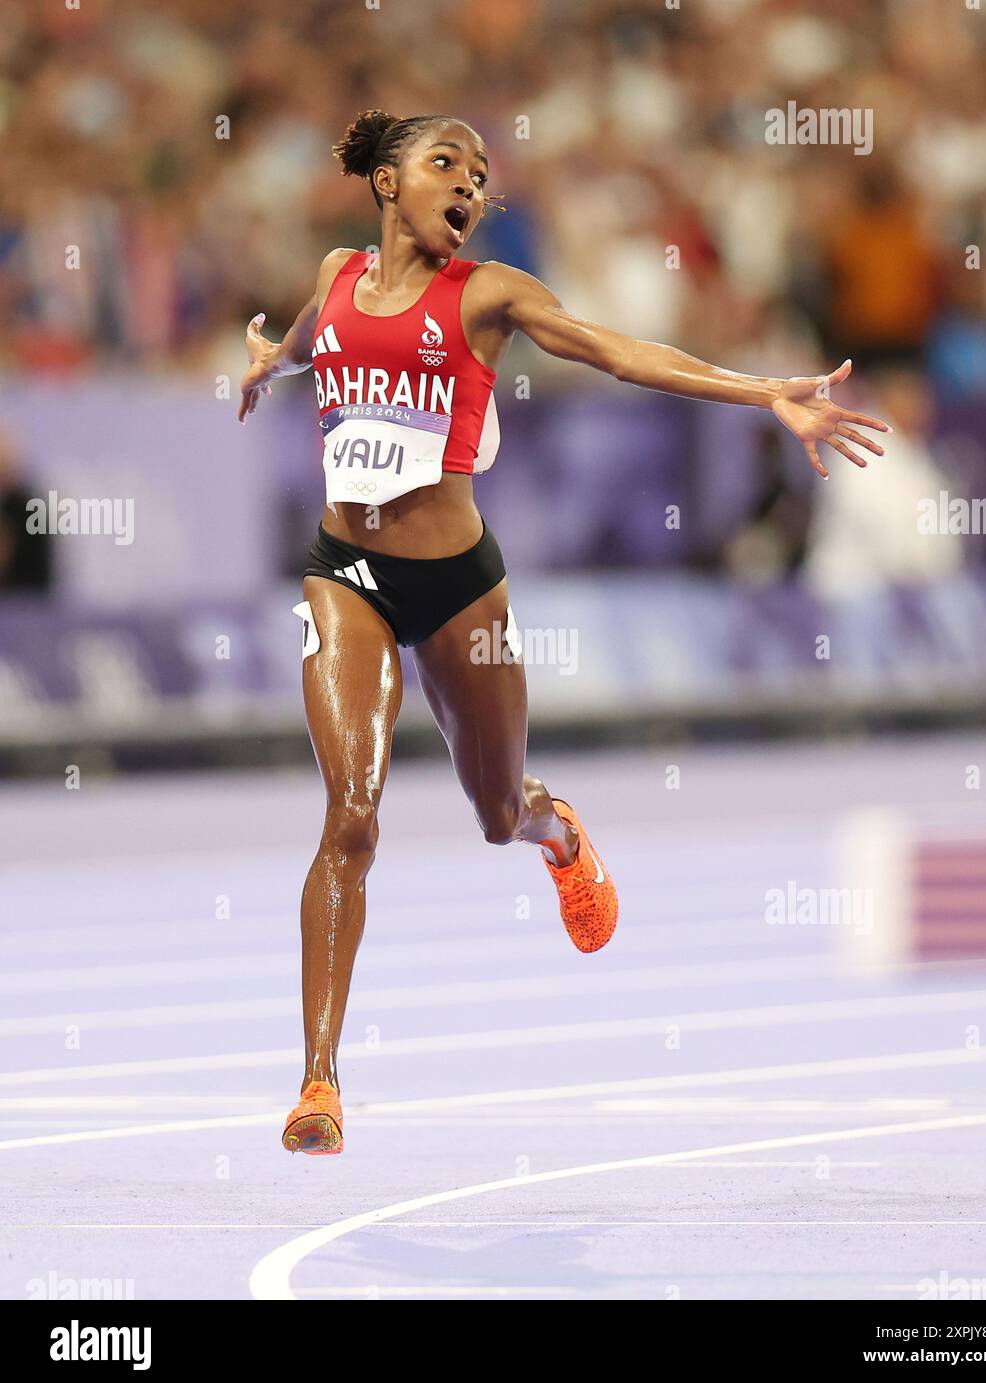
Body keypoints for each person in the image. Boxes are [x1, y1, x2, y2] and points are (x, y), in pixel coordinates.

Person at [238, 110, 889, 1155]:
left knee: (497, 812)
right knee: (350, 814)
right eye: (446, 163)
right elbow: (316, 342)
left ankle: (559, 832)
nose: (469, 183)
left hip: (458, 588)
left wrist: (767, 389)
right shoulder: (334, 273)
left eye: (481, 174)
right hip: (343, 575)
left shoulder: (491, 294)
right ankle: (318, 1081)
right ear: (388, 183)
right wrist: (266, 365)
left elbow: (620, 352)